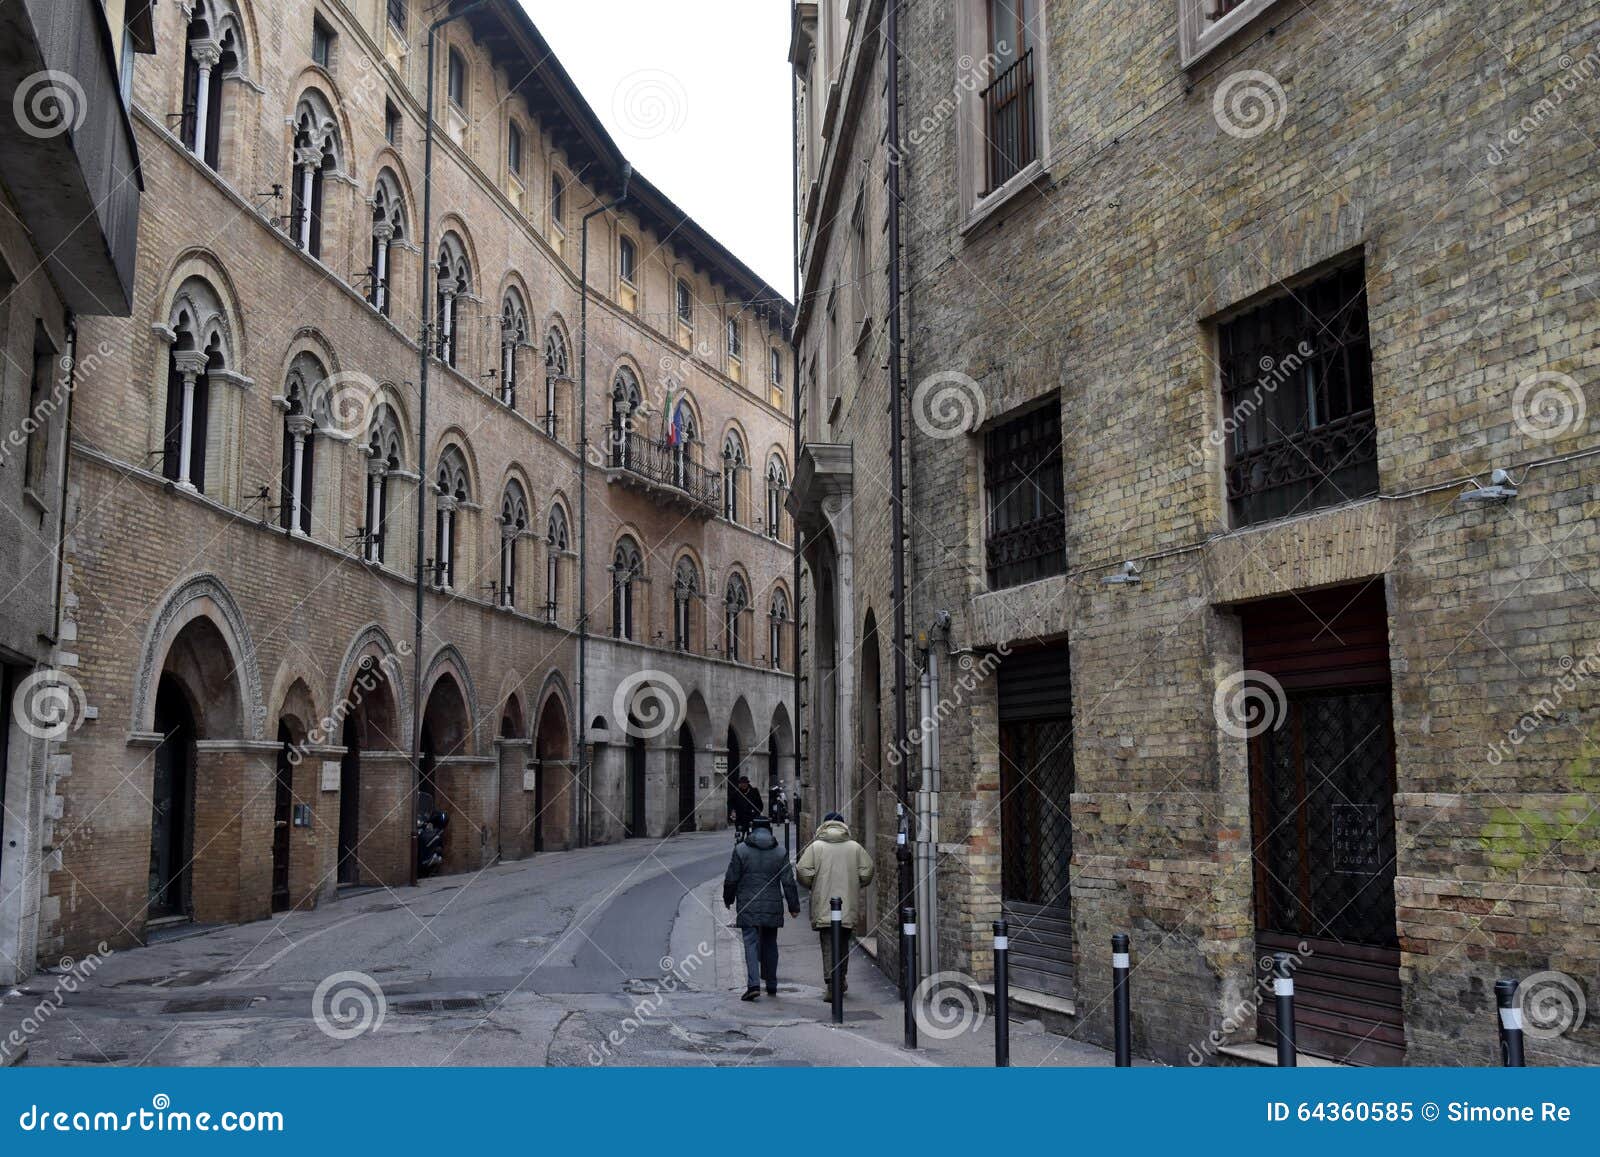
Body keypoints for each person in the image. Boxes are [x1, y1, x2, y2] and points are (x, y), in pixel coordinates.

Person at [795, 811, 874, 1001]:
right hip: (846, 905)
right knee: (843, 944)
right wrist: (855, 883)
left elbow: (802, 870)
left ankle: (832, 983)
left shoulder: (816, 847)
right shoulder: (855, 848)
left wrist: (814, 884)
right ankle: (841, 979)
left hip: (824, 905)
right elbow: (867, 870)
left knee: (828, 944)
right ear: (843, 826)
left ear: (824, 826)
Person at [723, 816, 800, 1001]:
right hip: (772, 904)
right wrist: (793, 906)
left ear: (752, 831)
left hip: (747, 903)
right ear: (770, 831)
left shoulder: (740, 850)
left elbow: (731, 877)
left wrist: (728, 898)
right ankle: (772, 984)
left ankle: (753, 985)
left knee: (750, 942)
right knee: (770, 942)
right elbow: (788, 882)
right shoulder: (780, 852)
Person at [727, 774, 763, 841]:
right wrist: (732, 811)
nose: (743, 785)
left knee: (751, 838)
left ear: (747, 783)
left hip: (751, 818)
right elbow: (730, 803)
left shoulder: (754, 791)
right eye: (741, 783)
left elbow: (760, 804)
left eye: (745, 783)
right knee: (739, 838)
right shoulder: (736, 793)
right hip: (740, 819)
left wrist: (756, 814)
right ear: (739, 784)